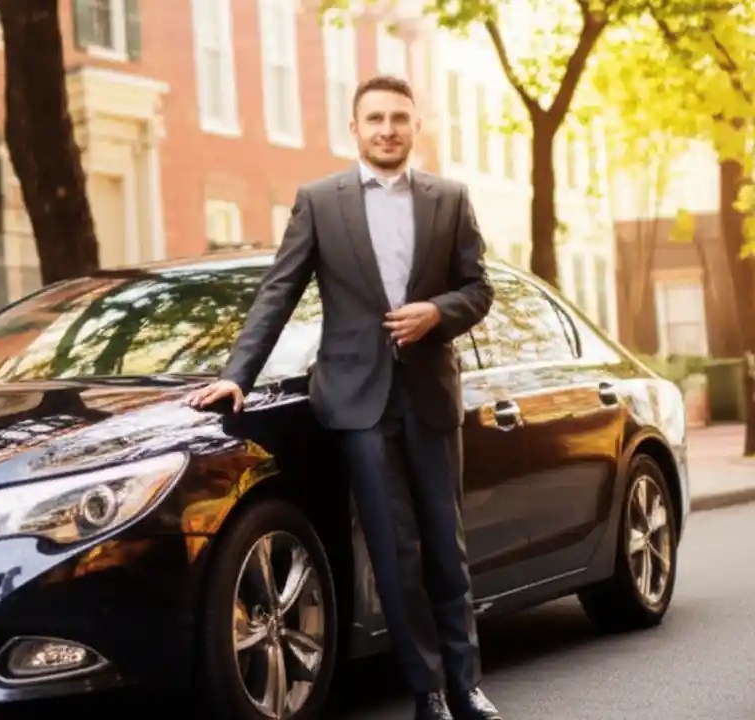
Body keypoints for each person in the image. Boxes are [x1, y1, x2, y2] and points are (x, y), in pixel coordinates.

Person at [184, 74, 500, 720]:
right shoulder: (319, 202)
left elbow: (479, 288)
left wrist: (437, 314)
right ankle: (429, 692)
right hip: (358, 402)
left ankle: (467, 685)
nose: (388, 128)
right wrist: (238, 375)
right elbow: (278, 290)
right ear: (353, 129)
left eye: (400, 118)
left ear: (416, 127)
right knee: (394, 551)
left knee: (447, 546)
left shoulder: (450, 199)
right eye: (376, 118)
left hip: (430, 398)